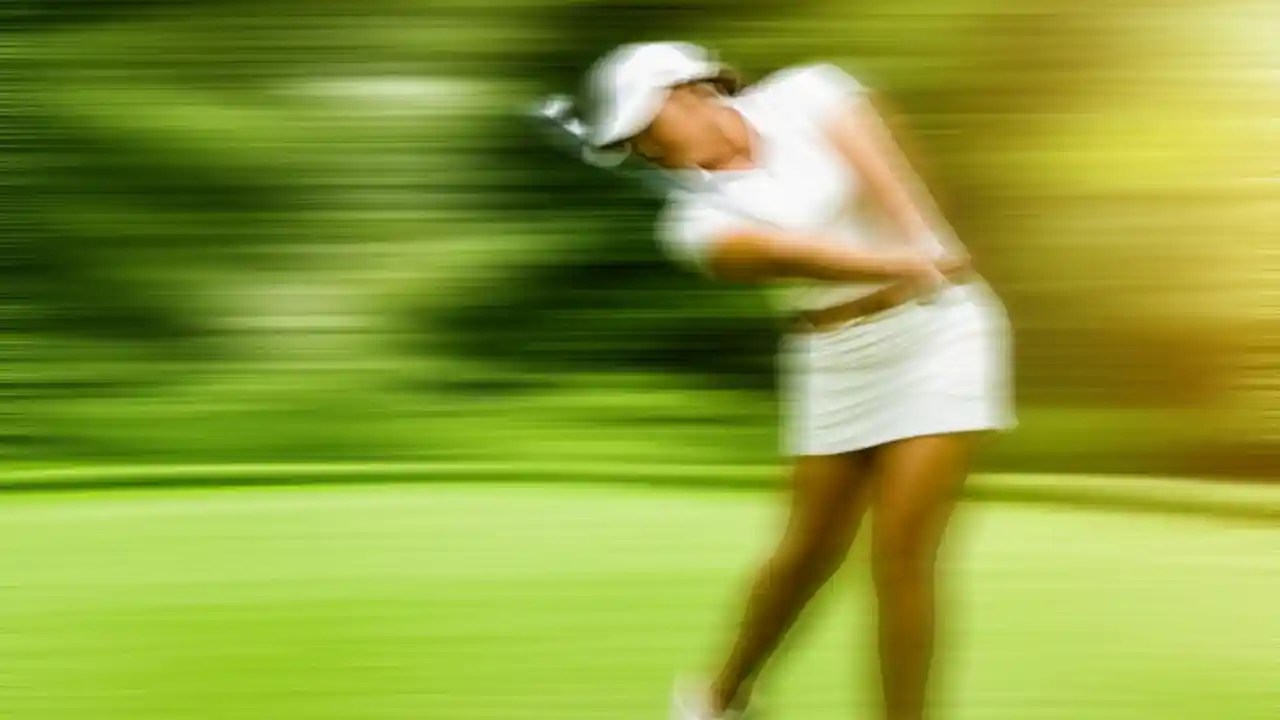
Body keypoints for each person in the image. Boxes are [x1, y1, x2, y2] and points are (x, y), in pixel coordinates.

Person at [552, 42, 1017, 720]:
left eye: (648, 128)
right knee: (808, 551)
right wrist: (894, 262)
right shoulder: (691, 223)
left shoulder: (810, 91)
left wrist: (921, 237)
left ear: (686, 91)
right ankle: (722, 696)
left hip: (940, 335)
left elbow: (883, 168)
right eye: (635, 143)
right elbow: (800, 255)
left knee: (901, 553)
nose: (649, 149)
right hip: (831, 359)